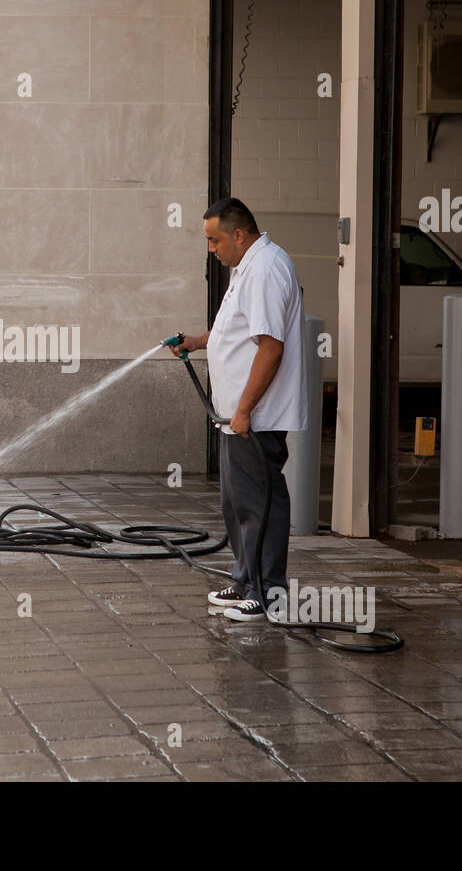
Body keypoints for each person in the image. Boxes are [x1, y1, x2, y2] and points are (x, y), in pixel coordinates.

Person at [171, 197, 307, 622]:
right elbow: (239, 328)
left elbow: (271, 346)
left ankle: (269, 593)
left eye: (214, 240)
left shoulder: (266, 269)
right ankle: (247, 579)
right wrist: (198, 340)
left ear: (239, 234)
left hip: (255, 418)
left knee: (260, 503)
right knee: (237, 504)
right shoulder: (246, 267)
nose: (211, 249)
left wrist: (246, 409)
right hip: (236, 416)